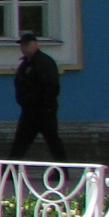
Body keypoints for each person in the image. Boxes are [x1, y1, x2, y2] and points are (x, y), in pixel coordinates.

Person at [8, 32, 66, 161]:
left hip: (44, 110)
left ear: (35, 44)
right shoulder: (26, 64)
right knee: (21, 140)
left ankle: (62, 170)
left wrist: (46, 105)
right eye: (22, 45)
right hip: (29, 110)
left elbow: (51, 86)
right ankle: (8, 170)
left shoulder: (44, 62)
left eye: (27, 45)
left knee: (52, 140)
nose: (24, 48)